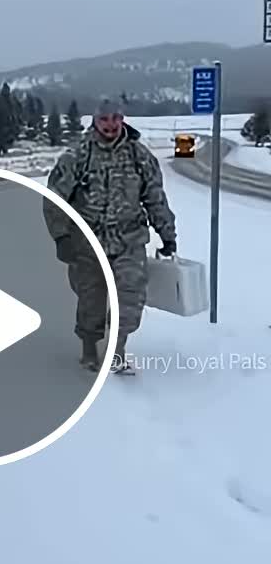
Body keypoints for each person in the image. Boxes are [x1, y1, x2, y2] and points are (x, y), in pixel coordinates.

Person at [43, 97, 177, 375]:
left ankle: (117, 351)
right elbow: (55, 198)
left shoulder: (139, 156)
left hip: (129, 240)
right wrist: (61, 237)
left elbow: (155, 198)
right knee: (90, 300)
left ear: (122, 118)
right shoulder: (77, 156)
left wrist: (167, 234)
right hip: (87, 242)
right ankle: (89, 348)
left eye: (115, 118)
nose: (111, 125)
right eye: (104, 119)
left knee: (129, 299)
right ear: (95, 120)